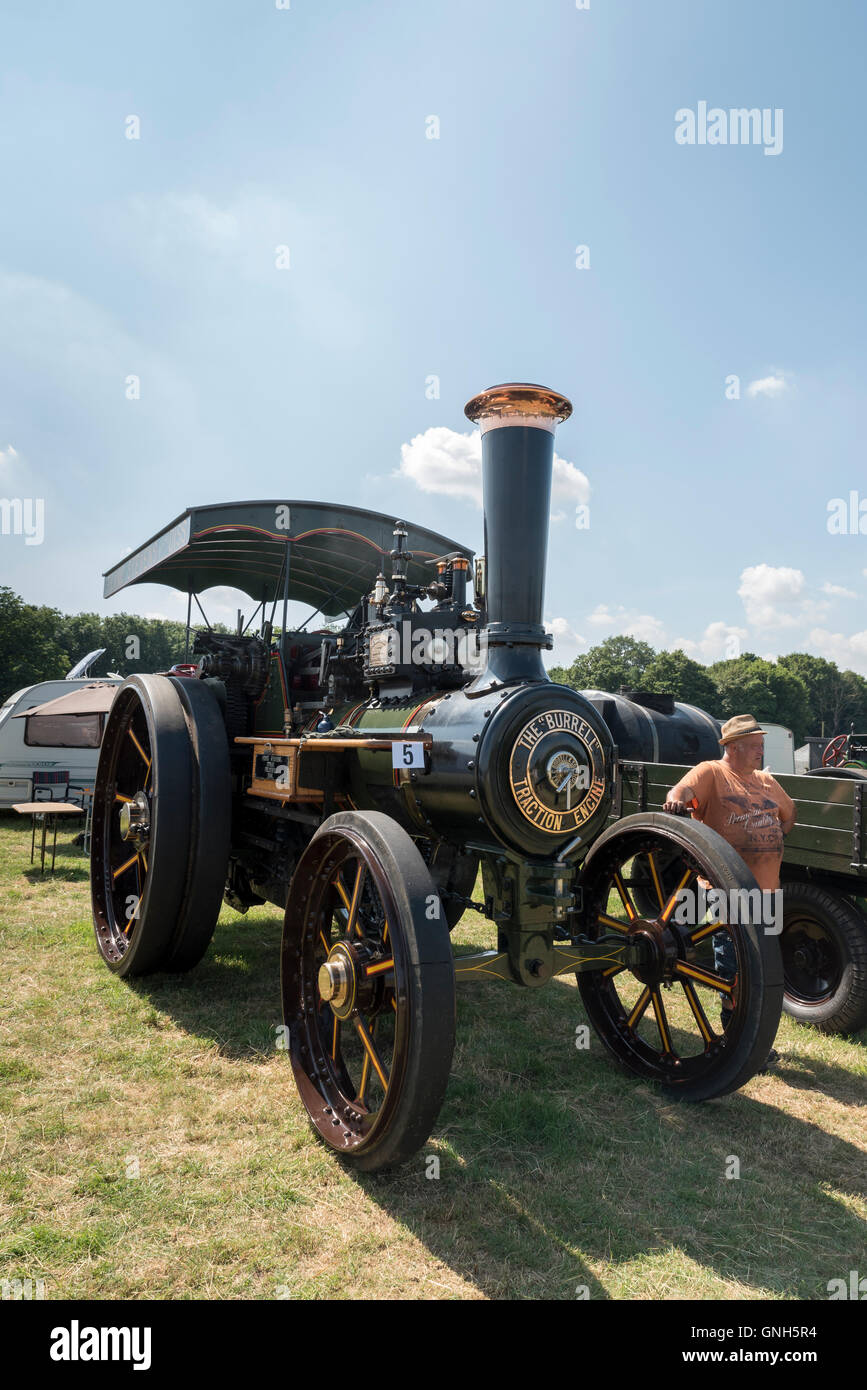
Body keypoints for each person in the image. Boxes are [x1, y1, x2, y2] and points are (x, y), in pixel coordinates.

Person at [662, 713, 797, 1072]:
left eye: (762, 744)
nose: (761, 750)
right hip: (728, 890)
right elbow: (681, 791)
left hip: (767, 894)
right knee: (735, 968)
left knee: (765, 970)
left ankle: (754, 1040)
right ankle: (735, 1041)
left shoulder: (766, 780)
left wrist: (777, 833)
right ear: (733, 747)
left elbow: (790, 812)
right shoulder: (711, 772)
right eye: (755, 745)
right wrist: (676, 801)